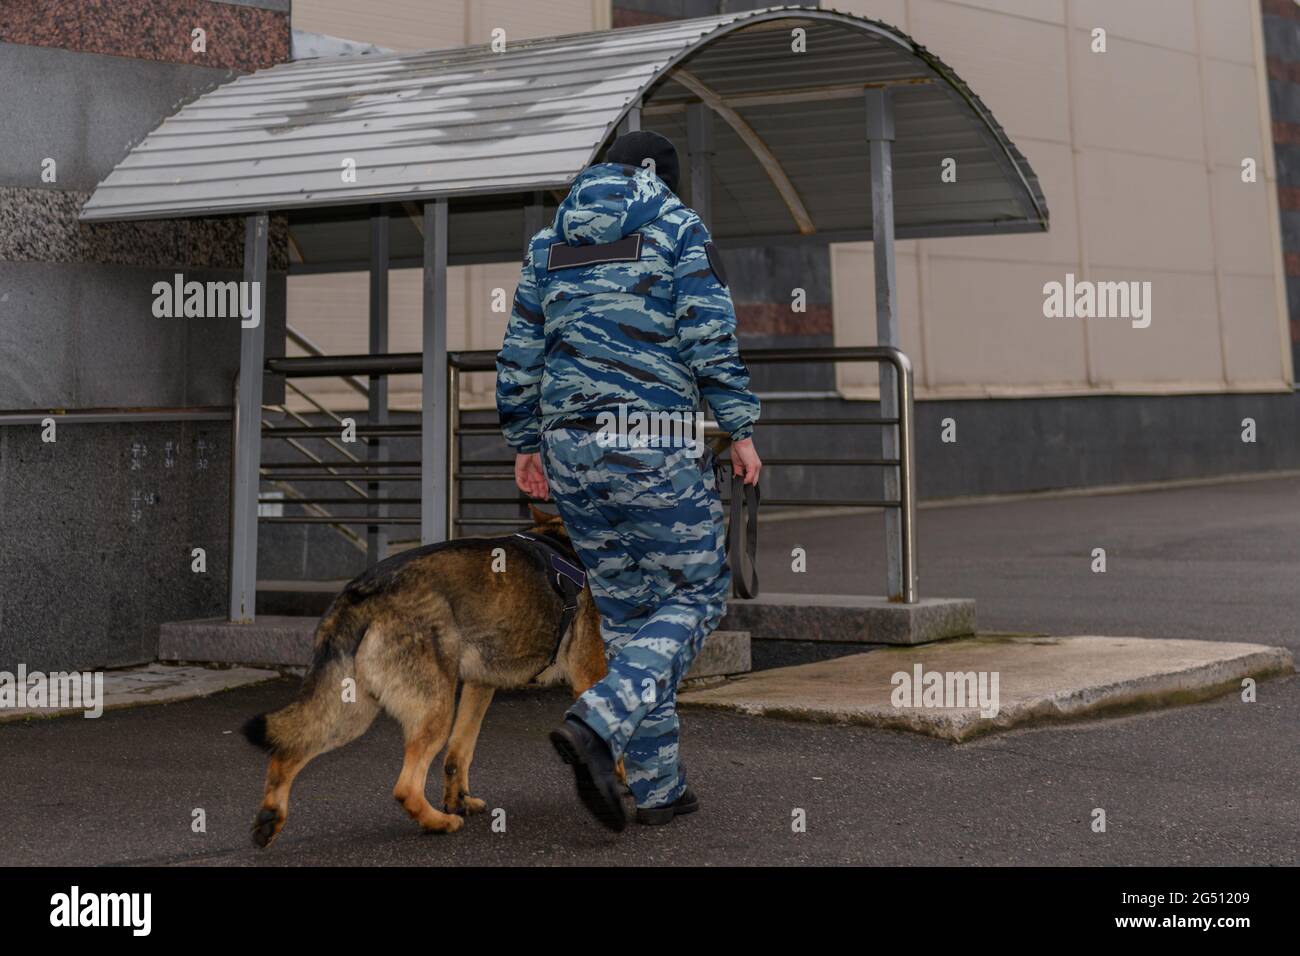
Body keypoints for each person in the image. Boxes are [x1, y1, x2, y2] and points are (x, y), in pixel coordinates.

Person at [495, 130, 761, 831]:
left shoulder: (548, 242)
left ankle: (658, 786)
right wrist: (739, 427)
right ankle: (598, 719)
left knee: (632, 617)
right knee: (698, 591)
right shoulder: (677, 228)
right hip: (653, 445)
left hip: (571, 453)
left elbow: (520, 349)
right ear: (664, 180)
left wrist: (525, 441)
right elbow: (709, 334)